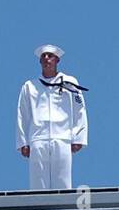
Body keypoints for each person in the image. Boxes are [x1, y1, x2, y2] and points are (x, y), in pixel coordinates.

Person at [17, 44, 88, 190]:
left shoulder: (70, 83)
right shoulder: (30, 86)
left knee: (62, 180)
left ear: (57, 60)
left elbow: (79, 110)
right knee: (38, 182)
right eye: (43, 56)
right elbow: (22, 114)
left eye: (50, 56)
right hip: (38, 138)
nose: (46, 59)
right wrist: (23, 142)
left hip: (62, 137)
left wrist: (79, 137)